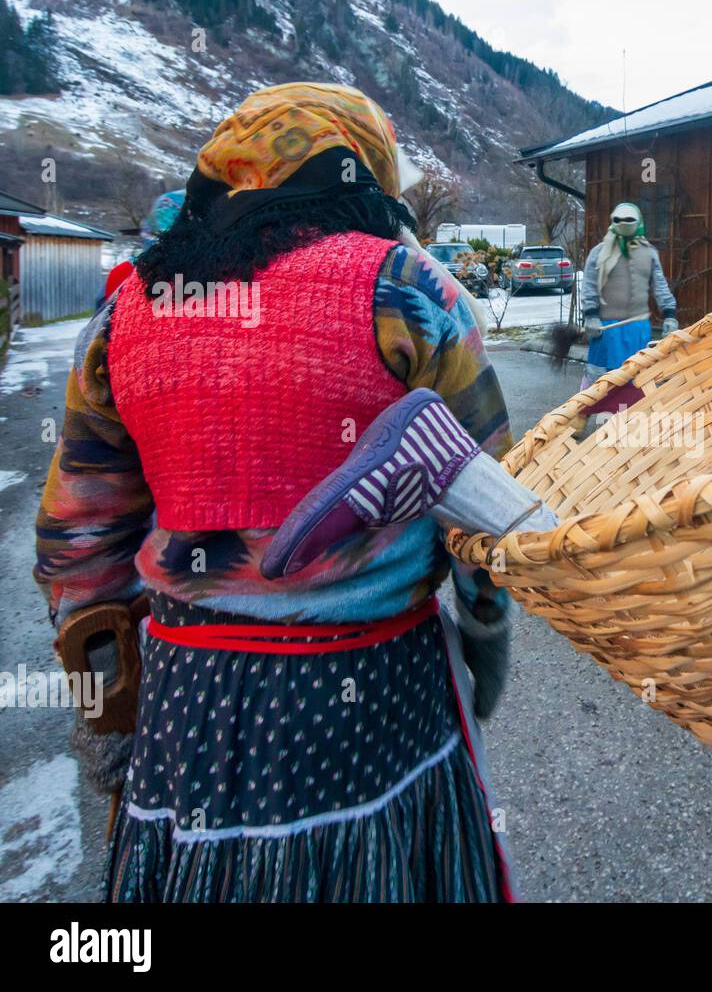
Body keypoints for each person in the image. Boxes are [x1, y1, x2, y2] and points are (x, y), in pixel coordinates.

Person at [34, 82, 521, 902]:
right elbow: (489, 518)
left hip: (187, 703)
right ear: (362, 170)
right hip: (373, 700)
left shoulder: (129, 309)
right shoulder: (406, 288)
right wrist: (485, 642)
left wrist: (110, 720)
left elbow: (77, 544)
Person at [579, 202, 678, 420]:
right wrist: (590, 315)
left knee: (636, 375)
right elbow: (589, 286)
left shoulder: (649, 253)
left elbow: (660, 285)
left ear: (639, 222)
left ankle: (630, 419)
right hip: (605, 327)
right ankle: (579, 415)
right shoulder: (599, 253)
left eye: (629, 220)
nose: (624, 224)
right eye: (618, 220)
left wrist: (670, 314)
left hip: (637, 327)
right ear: (612, 222)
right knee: (598, 375)